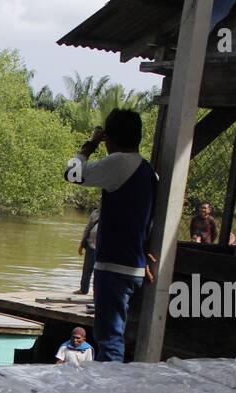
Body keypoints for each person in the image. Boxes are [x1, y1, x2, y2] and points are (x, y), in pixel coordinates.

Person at [65, 109, 157, 363]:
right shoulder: (149, 171)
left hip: (114, 266)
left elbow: (72, 173)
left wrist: (90, 144)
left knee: (109, 338)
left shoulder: (118, 163)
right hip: (135, 266)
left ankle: (109, 391)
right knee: (118, 335)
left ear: (110, 137)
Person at [76, 206, 99, 295]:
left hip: (104, 249)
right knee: (87, 269)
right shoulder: (95, 213)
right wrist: (82, 244)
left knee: (100, 272)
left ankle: (97, 293)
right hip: (91, 245)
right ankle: (83, 289)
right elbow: (87, 228)